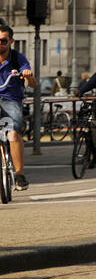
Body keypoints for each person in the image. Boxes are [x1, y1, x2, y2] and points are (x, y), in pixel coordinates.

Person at [0, 22, 35, 191]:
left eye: (3, 40)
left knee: (13, 133)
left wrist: (28, 76)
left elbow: (33, 84)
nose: (0, 43)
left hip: (11, 99)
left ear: (11, 41)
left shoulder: (17, 58)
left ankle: (19, 174)